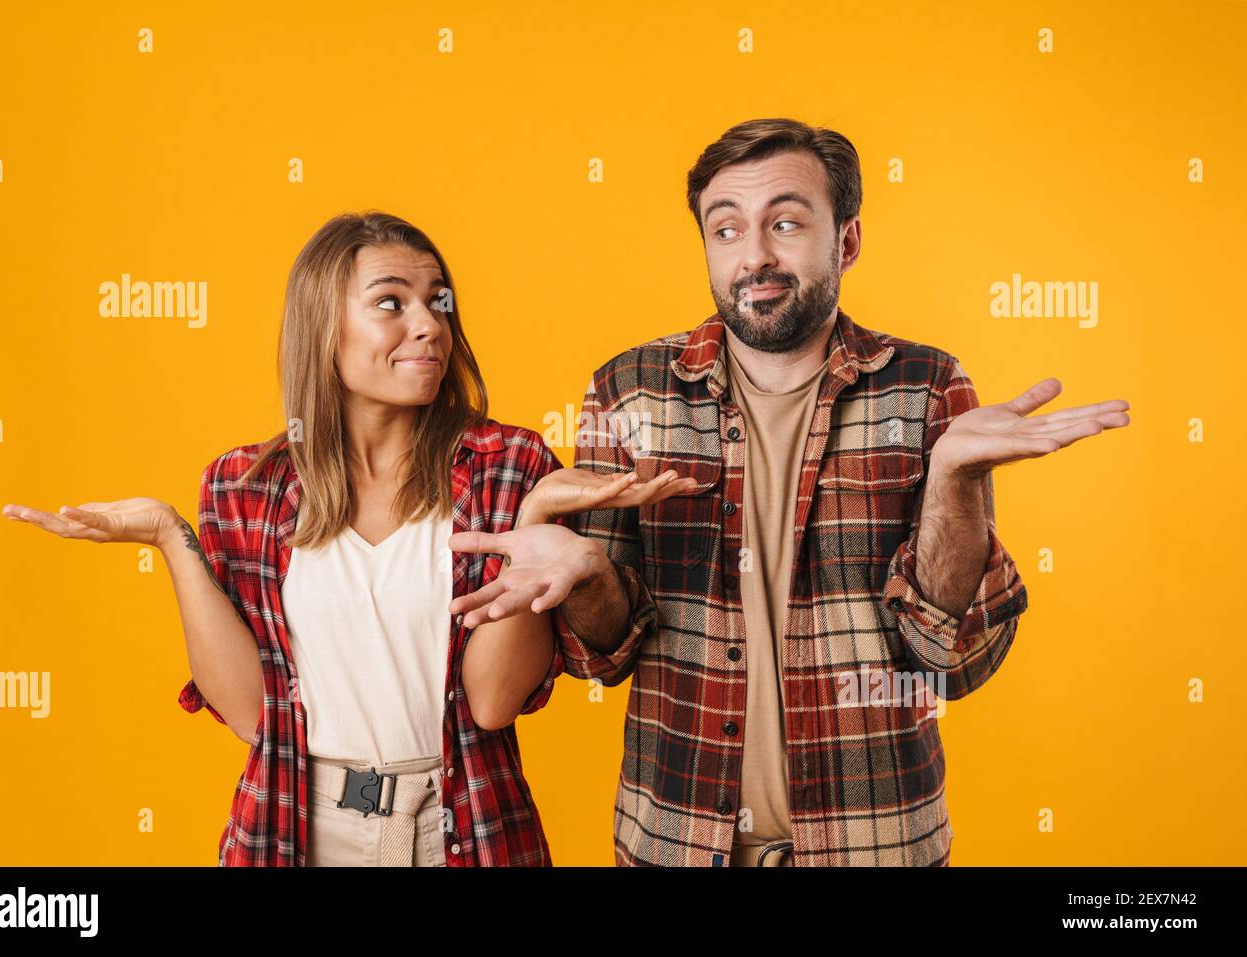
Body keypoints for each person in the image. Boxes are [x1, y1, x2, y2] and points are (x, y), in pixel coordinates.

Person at [454, 118, 1131, 866]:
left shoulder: (928, 387)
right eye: (727, 229)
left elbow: (949, 657)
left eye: (785, 222)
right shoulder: (627, 391)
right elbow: (605, 656)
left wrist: (953, 480)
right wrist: (585, 573)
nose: (755, 256)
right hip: (674, 843)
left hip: (878, 845)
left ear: (846, 240)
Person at [1, 211, 682, 867]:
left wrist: (532, 518)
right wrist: (168, 534)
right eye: (391, 303)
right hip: (296, 825)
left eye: (438, 302)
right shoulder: (246, 487)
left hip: (462, 825)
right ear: (324, 327)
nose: (428, 325)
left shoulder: (510, 466)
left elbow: (494, 699)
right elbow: (249, 712)